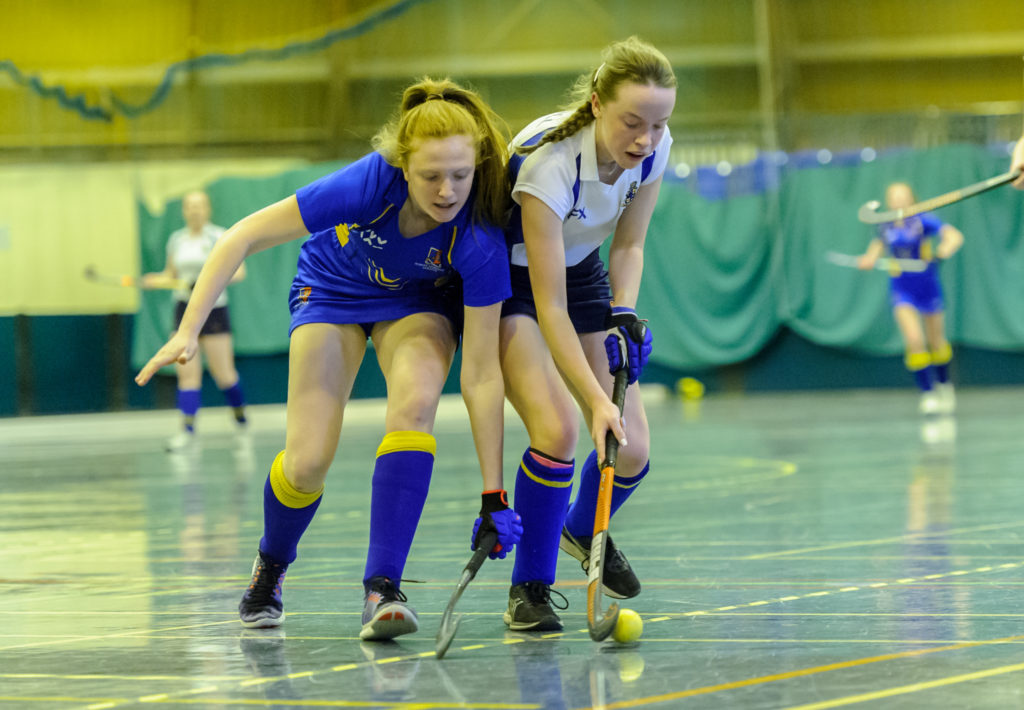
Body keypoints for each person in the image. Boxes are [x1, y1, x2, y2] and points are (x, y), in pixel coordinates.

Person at [135, 77, 522, 641]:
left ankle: (382, 588)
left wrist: (494, 494)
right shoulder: (368, 183)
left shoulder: (479, 239)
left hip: (415, 301)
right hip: (333, 290)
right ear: (402, 166)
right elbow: (241, 236)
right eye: (431, 176)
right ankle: (271, 562)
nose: (447, 191)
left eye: (461, 175)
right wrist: (188, 329)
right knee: (308, 460)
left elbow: (484, 374)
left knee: (415, 405)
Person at [497, 36, 676, 630]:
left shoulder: (653, 148)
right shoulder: (549, 162)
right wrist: (596, 398)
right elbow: (549, 307)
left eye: (658, 123)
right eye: (632, 122)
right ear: (597, 104)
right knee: (561, 429)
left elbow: (628, 243)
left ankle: (581, 528)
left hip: (586, 274)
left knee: (633, 449)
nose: (644, 139)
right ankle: (530, 588)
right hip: (512, 282)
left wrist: (622, 310)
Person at [141, 190, 248, 451]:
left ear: (208, 209)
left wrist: (203, 283)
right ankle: (187, 432)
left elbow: (239, 272)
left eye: (200, 206)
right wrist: (157, 280)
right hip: (183, 310)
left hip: (214, 310)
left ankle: (241, 423)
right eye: (190, 206)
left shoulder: (220, 236)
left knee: (224, 374)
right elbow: (171, 274)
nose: (195, 211)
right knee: (187, 375)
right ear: (184, 211)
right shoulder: (176, 240)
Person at [857, 182, 964, 415]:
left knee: (936, 340)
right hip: (902, 289)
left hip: (927, 286)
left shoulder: (923, 220)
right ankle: (927, 393)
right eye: (893, 197)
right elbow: (876, 247)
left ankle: (944, 385)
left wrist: (942, 252)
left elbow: (954, 236)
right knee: (914, 340)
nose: (898, 201)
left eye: (903, 196)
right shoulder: (884, 225)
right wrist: (869, 259)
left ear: (912, 198)